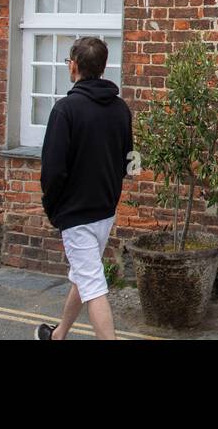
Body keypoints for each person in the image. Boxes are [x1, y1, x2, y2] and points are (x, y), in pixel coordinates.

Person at [36, 37, 133, 341]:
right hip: (105, 209)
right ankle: (59, 334)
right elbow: (128, 161)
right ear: (103, 68)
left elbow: (52, 170)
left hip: (75, 214)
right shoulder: (120, 109)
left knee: (93, 286)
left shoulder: (65, 110)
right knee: (85, 275)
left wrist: (53, 208)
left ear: (74, 66)